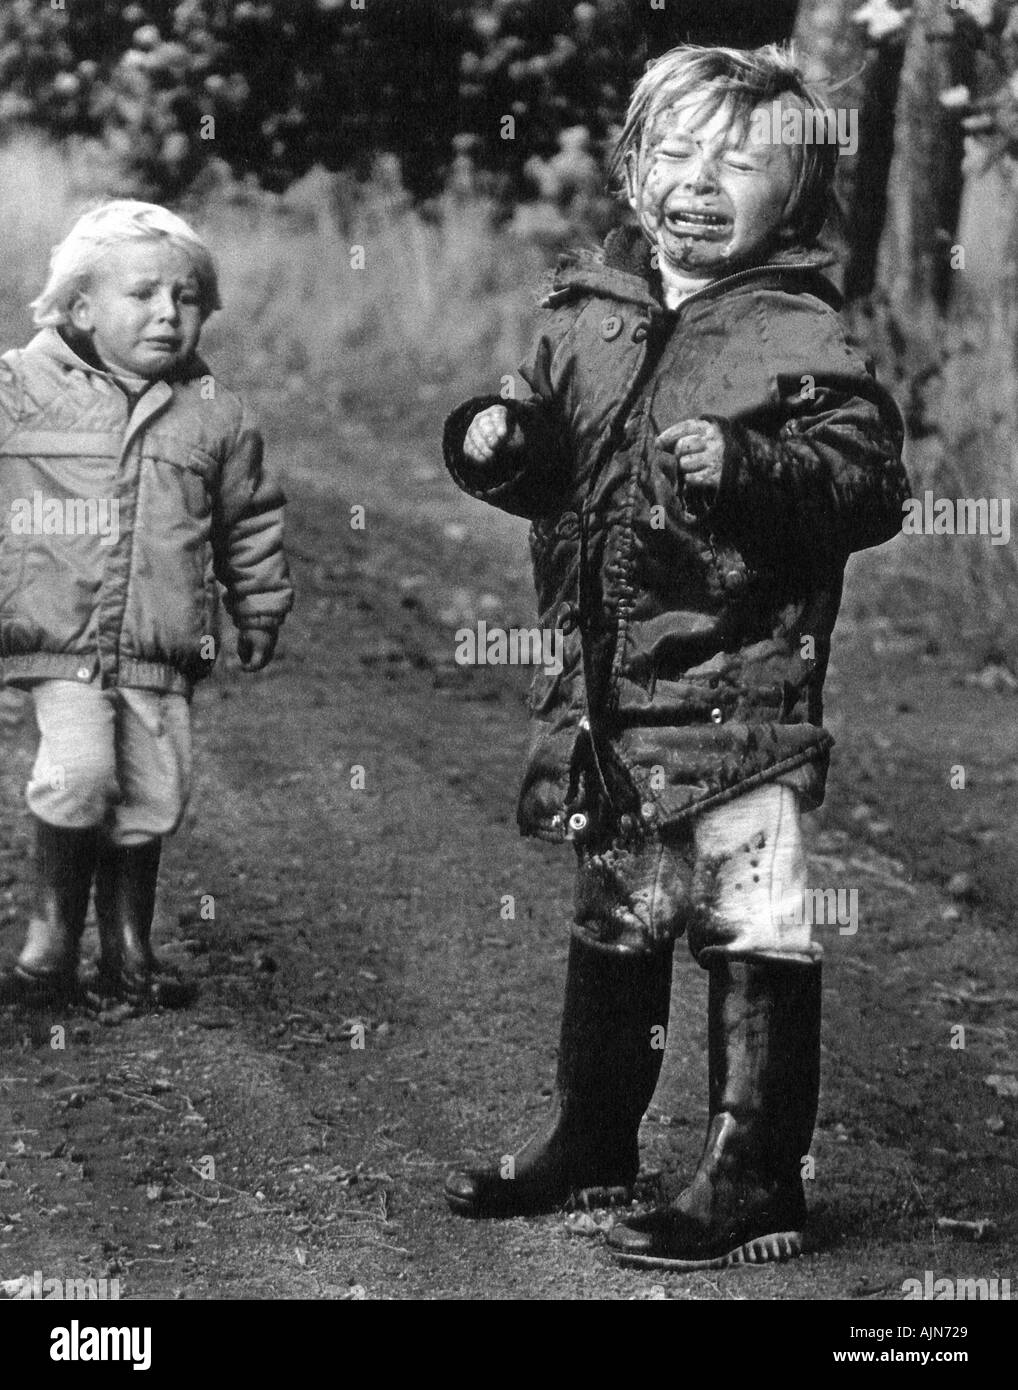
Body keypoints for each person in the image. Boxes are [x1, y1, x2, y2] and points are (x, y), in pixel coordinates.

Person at [441, 44, 909, 1270]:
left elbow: (866, 487)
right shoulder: (583, 315)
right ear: (635, 168)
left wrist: (752, 468)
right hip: (609, 696)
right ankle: (593, 1135)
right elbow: (546, 459)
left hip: (739, 689)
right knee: (622, 911)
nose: (700, 181)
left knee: (747, 917)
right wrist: (496, 440)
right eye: (675, 153)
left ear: (795, 198)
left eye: (740, 162)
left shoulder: (798, 335)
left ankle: (754, 1171)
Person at [0, 200, 293, 1011]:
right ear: (80, 307)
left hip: (161, 647)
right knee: (79, 774)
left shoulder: (215, 415)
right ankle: (51, 936)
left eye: (187, 296)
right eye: (142, 294)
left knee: (154, 793)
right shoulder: (21, 390)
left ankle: (128, 946)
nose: (168, 312)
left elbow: (249, 521)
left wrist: (258, 607)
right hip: (59, 638)